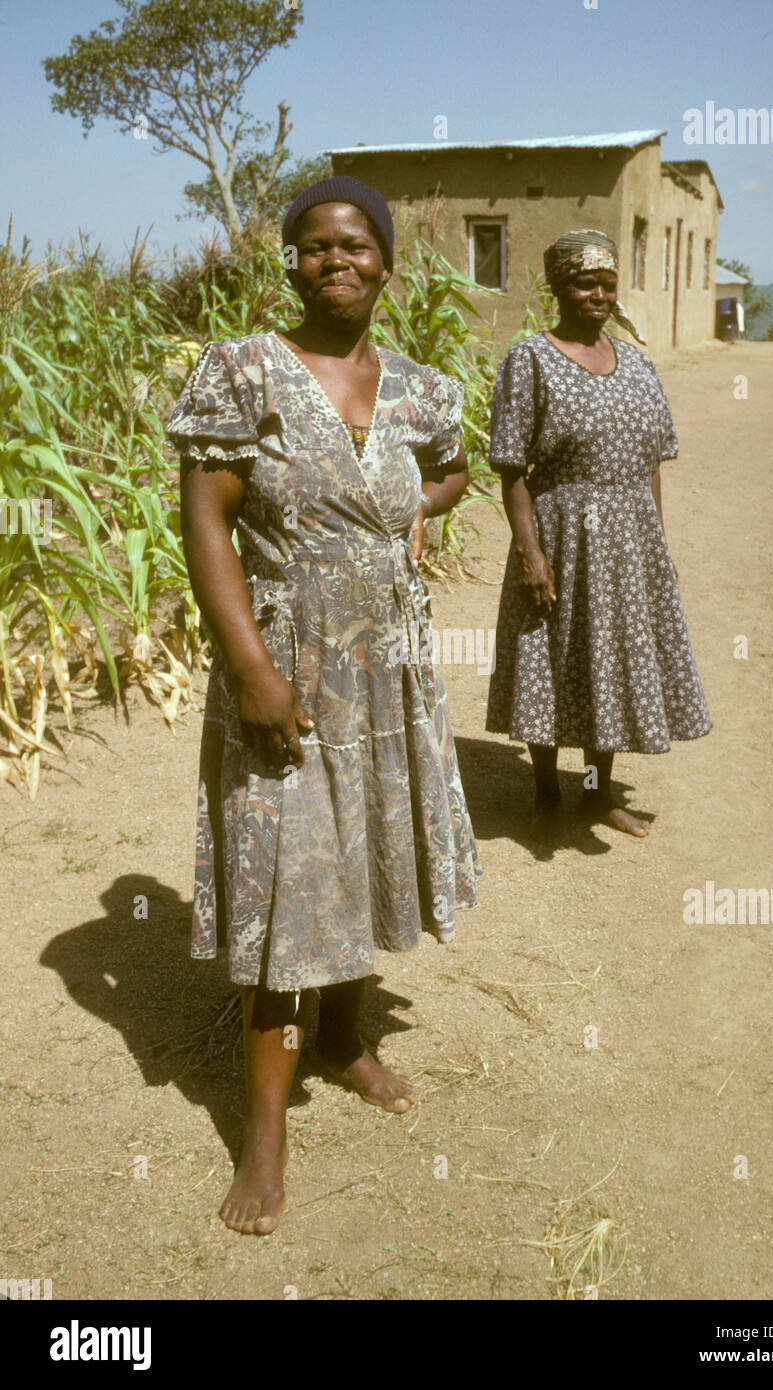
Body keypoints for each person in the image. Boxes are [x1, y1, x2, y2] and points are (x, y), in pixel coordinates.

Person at [166, 176, 480, 1235]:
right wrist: (250, 667)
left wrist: (406, 518)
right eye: (312, 246)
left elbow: (454, 468)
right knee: (284, 887)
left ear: (387, 265)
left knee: (370, 849)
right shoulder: (245, 370)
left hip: (387, 663)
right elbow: (203, 518)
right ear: (289, 262)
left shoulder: (423, 388)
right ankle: (263, 1131)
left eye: (354, 245)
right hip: (286, 662)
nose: (333, 261)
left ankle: (341, 1042)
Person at [485, 228, 711, 843]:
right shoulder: (530, 358)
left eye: (607, 284)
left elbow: (652, 465)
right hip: (559, 534)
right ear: (559, 287)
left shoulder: (638, 363)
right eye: (585, 283)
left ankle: (597, 794)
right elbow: (510, 468)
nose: (598, 295)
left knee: (606, 660)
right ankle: (546, 794)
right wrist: (531, 554)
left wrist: (655, 548)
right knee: (550, 659)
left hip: (627, 539)